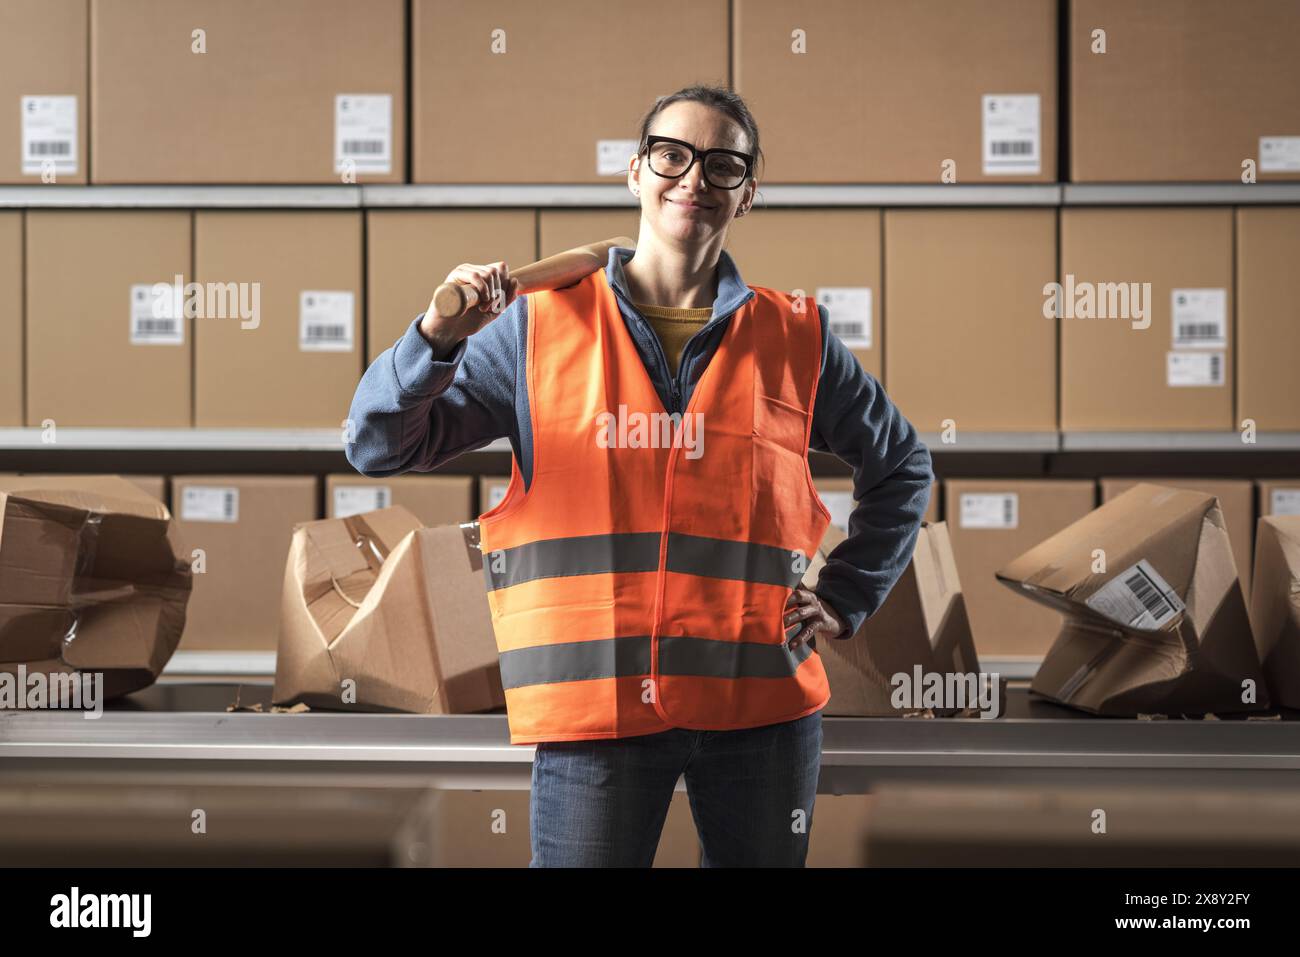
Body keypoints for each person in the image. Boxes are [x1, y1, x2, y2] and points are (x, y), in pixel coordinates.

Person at [346, 84, 934, 867]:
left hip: (760, 705)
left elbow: (902, 466)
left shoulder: (795, 338)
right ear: (635, 173)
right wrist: (434, 338)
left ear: (747, 194)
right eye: (672, 155)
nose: (693, 179)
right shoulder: (536, 326)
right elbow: (379, 445)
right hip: (597, 711)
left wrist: (846, 594)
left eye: (721, 164)